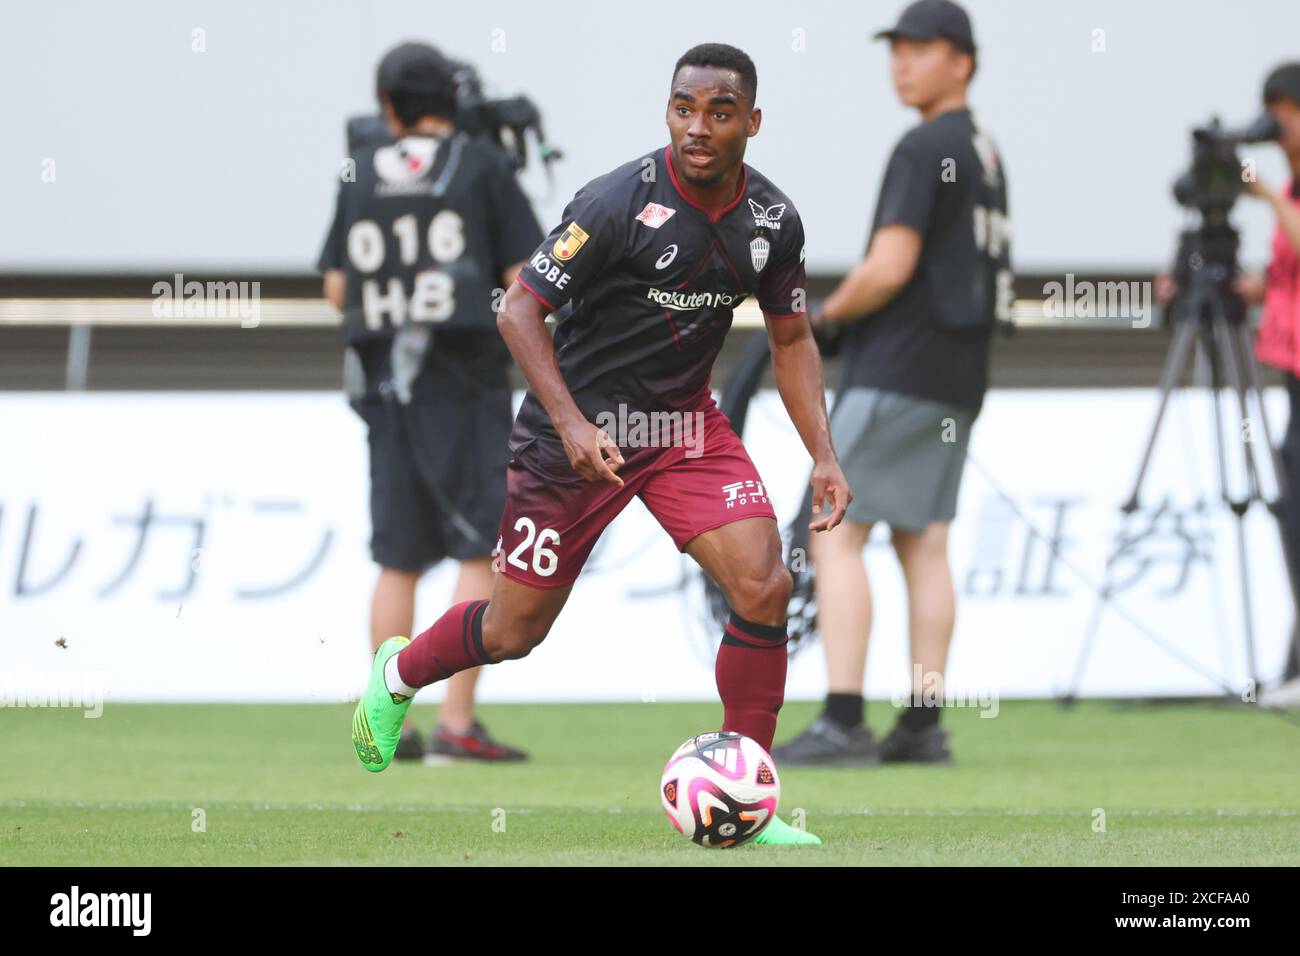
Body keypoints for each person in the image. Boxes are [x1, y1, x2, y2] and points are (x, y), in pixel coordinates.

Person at [350, 42, 852, 846]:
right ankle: (400, 672)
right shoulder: (617, 201)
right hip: (573, 436)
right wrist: (574, 423)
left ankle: (749, 802)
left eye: (720, 112)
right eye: (684, 108)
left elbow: (792, 341)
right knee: (515, 632)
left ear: (751, 122)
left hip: (684, 426)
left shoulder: (772, 222)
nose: (698, 126)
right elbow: (519, 310)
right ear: (668, 112)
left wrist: (823, 455)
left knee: (763, 585)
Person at [775, 0, 1011, 766]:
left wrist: (826, 318)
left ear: (962, 60)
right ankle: (922, 723)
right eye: (897, 50)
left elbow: (889, 265)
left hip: (901, 366)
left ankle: (843, 719)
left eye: (920, 50)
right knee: (925, 542)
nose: (901, 63)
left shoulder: (924, 145)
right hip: (958, 373)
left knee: (837, 534)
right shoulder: (984, 149)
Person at [319, 42, 538, 762]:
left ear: (387, 106)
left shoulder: (358, 167)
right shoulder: (480, 164)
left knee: (399, 556)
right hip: (466, 378)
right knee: (480, 546)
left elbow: (337, 289)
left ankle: (393, 721)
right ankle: (457, 722)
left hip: (385, 384)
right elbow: (525, 279)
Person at [1242, 62, 1300, 705]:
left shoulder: (1282, 192)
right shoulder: (1292, 184)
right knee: (1293, 506)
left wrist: (1267, 197)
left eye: (1289, 109)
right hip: (1291, 370)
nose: (1279, 123)